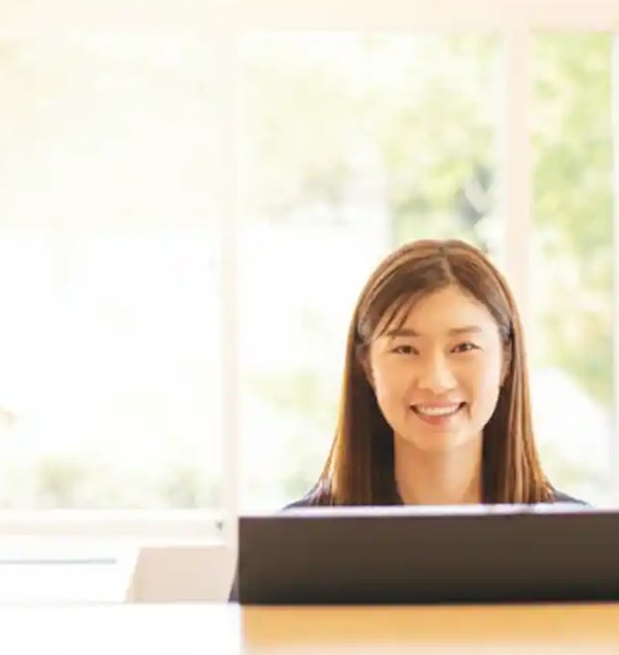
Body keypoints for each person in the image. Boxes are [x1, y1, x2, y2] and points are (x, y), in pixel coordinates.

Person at [229, 238, 583, 601]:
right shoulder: (290, 552)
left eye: (463, 348)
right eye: (405, 349)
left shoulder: (582, 546)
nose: (436, 380)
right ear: (367, 364)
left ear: (506, 360)